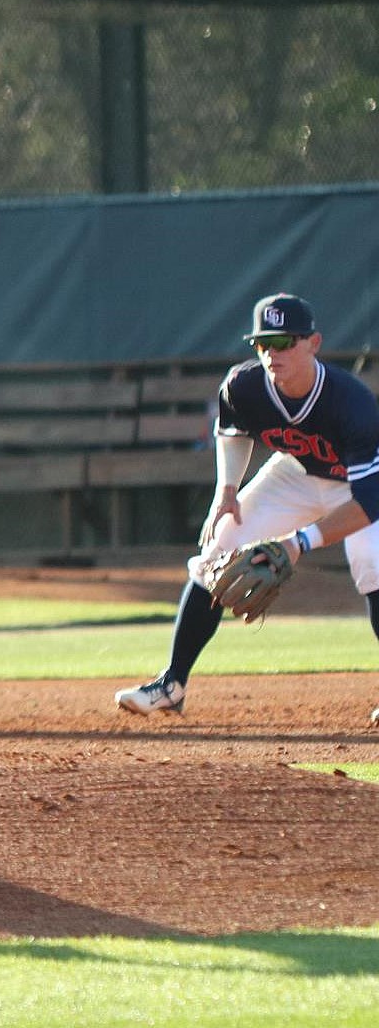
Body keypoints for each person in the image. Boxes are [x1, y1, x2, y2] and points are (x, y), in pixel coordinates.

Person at [116, 293, 379, 718]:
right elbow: (234, 432)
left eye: (284, 342)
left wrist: (299, 543)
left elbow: (369, 501)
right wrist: (226, 490)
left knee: (373, 562)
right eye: (263, 344)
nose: (272, 354)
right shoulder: (243, 386)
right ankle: (172, 685)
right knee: (222, 547)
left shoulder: (352, 402)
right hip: (295, 473)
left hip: (360, 486)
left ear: (313, 343)